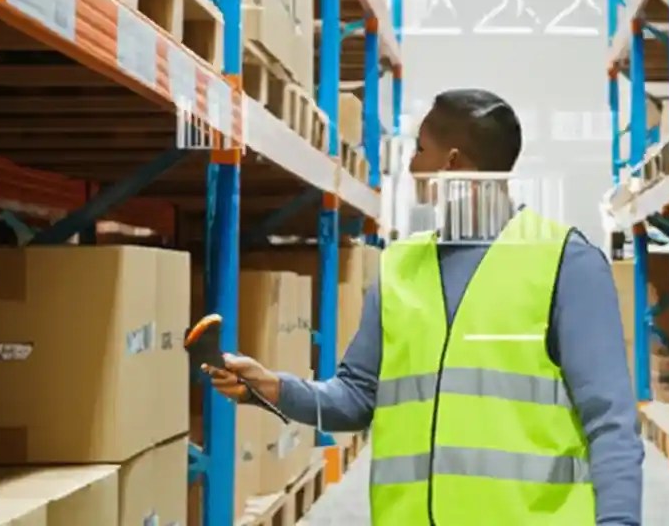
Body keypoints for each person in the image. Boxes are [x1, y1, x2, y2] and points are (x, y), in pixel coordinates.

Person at [205, 88, 645, 524]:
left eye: (420, 149)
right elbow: (357, 398)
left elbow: (610, 424)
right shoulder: (399, 265)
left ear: (452, 163)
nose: (411, 165)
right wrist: (274, 389)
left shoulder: (566, 263)